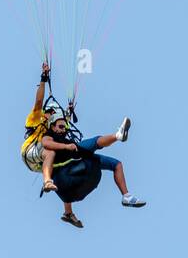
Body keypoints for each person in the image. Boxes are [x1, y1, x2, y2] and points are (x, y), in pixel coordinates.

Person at [21, 62, 146, 228]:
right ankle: (47, 181)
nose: (62, 126)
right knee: (52, 152)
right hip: (30, 151)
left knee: (110, 163)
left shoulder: (58, 125)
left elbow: (62, 122)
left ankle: (125, 197)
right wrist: (44, 78)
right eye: (52, 113)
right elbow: (39, 103)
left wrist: (69, 111)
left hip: (54, 157)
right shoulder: (37, 119)